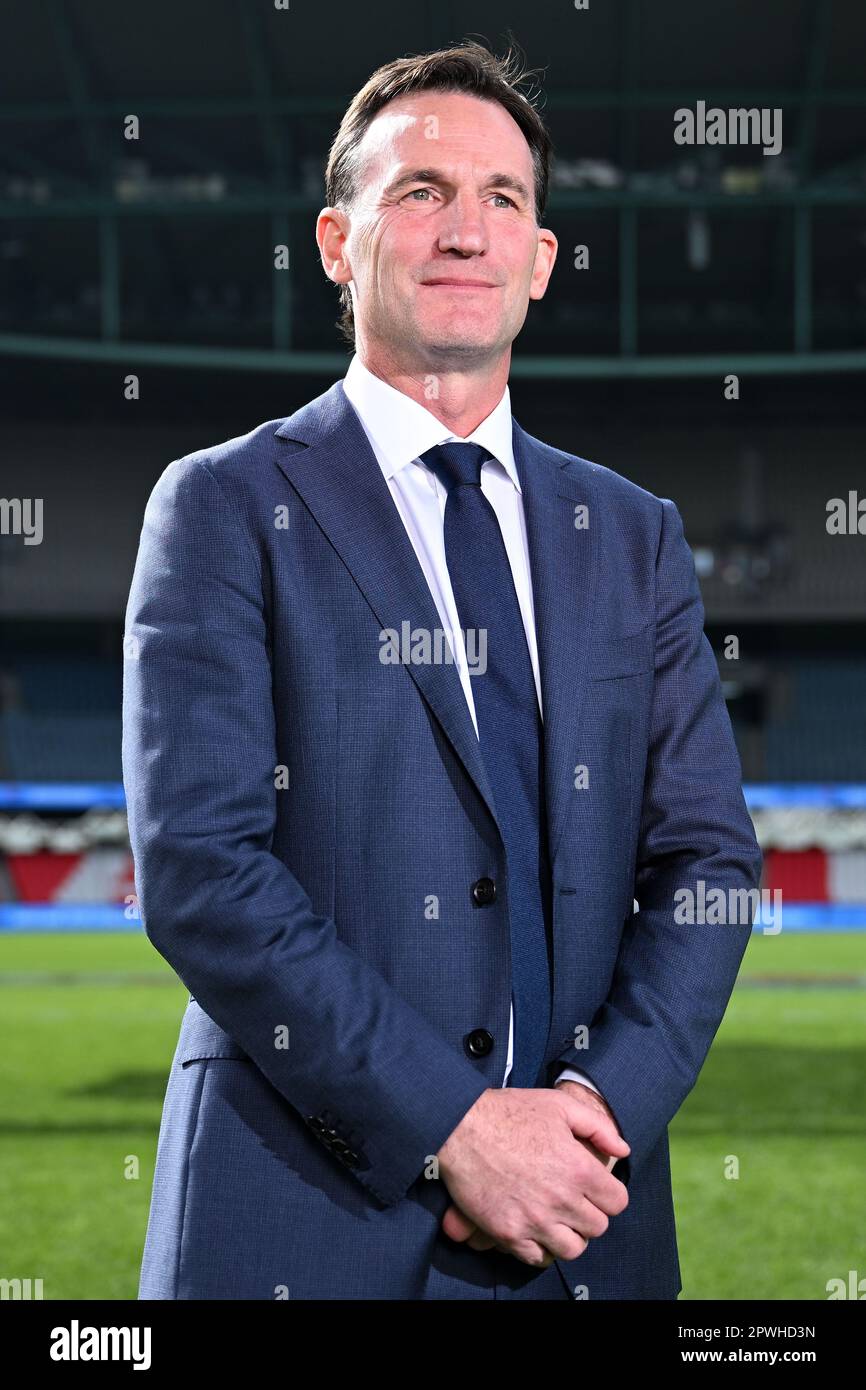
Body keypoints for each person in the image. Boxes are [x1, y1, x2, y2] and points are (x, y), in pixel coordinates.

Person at [123, 40, 762, 1301]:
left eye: (501, 200)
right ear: (335, 240)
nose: (465, 230)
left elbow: (708, 863)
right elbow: (201, 868)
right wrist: (455, 1127)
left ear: (540, 259)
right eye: (420, 192)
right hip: (297, 1223)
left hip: (583, 1221)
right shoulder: (221, 506)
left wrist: (594, 1112)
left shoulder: (631, 534)